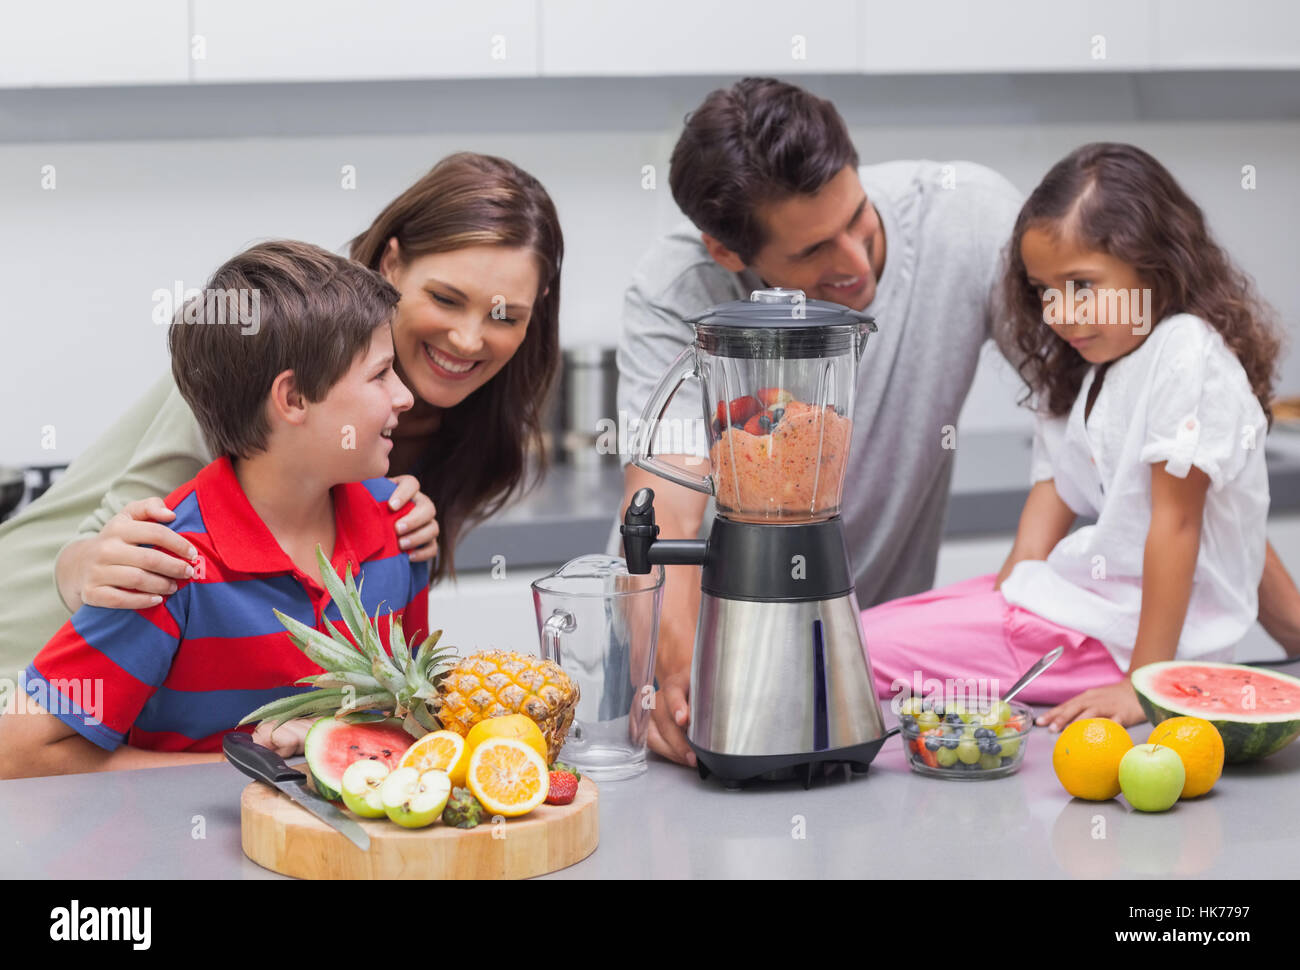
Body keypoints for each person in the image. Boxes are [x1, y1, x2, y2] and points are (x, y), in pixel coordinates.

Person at [616, 77, 1300, 767]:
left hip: (896, 668)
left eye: (859, 218)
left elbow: (1185, 483)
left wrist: (1279, 637)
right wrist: (670, 675)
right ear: (728, 254)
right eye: (812, 253)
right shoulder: (677, 295)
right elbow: (662, 511)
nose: (854, 263)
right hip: (723, 665)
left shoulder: (967, 222)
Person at [0, 152, 563, 694]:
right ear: (393, 266)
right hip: (26, 648)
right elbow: (101, 548)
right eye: (444, 298)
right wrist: (89, 569)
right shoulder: (271, 361)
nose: (468, 339)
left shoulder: (452, 424)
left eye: (504, 316)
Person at [861, 142, 1289, 731]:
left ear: (1157, 266)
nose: (1058, 313)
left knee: (848, 651)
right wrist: (1000, 606)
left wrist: (1145, 685)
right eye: (1043, 290)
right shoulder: (1095, 368)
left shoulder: (1184, 351)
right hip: (1077, 615)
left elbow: (1178, 524)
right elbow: (1053, 494)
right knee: (849, 634)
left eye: (1081, 284)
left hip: (1116, 643)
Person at [0, 241, 426, 777]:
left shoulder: (401, 525)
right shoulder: (169, 563)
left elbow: (410, 712)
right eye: (381, 374)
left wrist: (327, 739)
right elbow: (17, 751)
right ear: (293, 399)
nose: (405, 396)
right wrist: (245, 769)